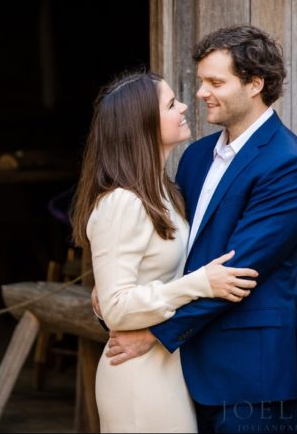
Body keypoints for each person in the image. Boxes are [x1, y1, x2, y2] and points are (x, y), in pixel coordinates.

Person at [102, 25, 297, 433]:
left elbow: (237, 273)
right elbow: (176, 255)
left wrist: (153, 333)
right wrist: (115, 292)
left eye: (215, 82)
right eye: (202, 81)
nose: (201, 93)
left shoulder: (287, 164)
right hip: (185, 370)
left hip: (254, 376)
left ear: (255, 84)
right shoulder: (196, 156)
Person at [71, 71, 260, 432]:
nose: (185, 105)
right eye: (171, 104)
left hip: (167, 365)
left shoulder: (164, 192)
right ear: (142, 125)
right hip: (138, 380)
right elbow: (116, 309)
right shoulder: (122, 203)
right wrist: (199, 283)